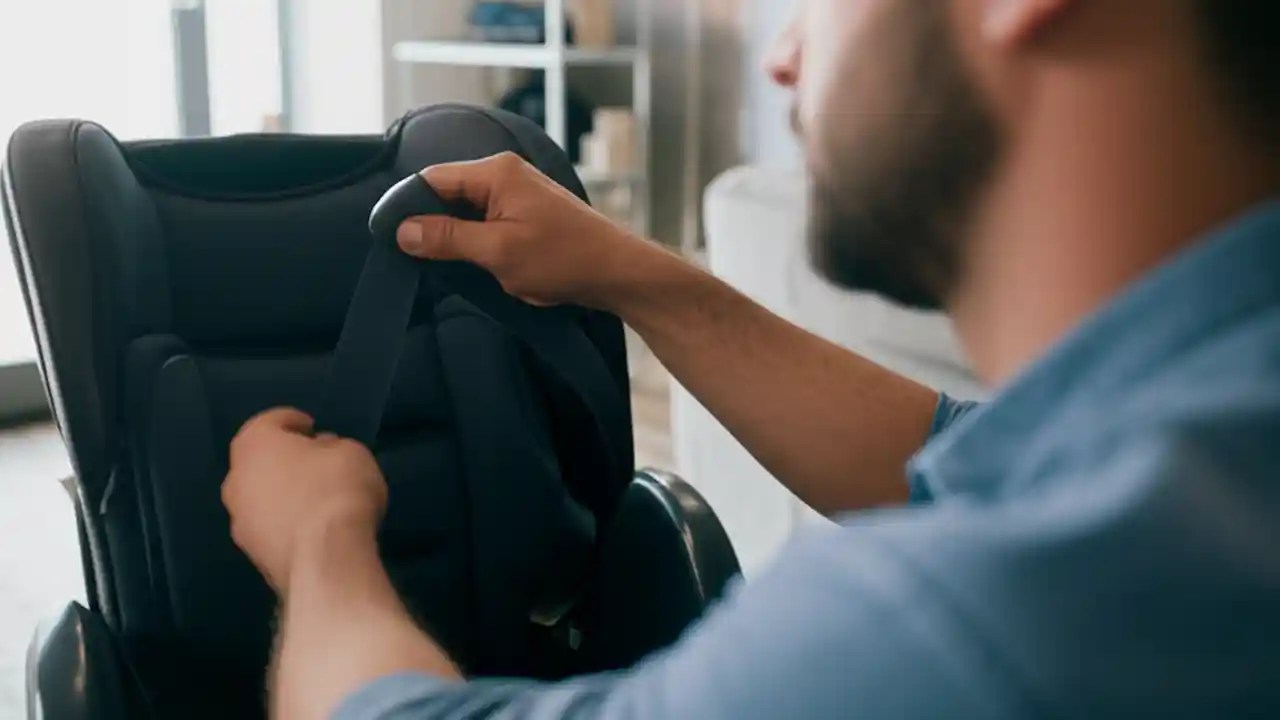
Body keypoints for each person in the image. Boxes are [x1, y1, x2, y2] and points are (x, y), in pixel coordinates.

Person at [220, 0, 1280, 717]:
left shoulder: (1008, 618)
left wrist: (320, 544)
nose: (780, 58)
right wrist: (636, 276)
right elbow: (959, 452)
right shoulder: (1219, 420)